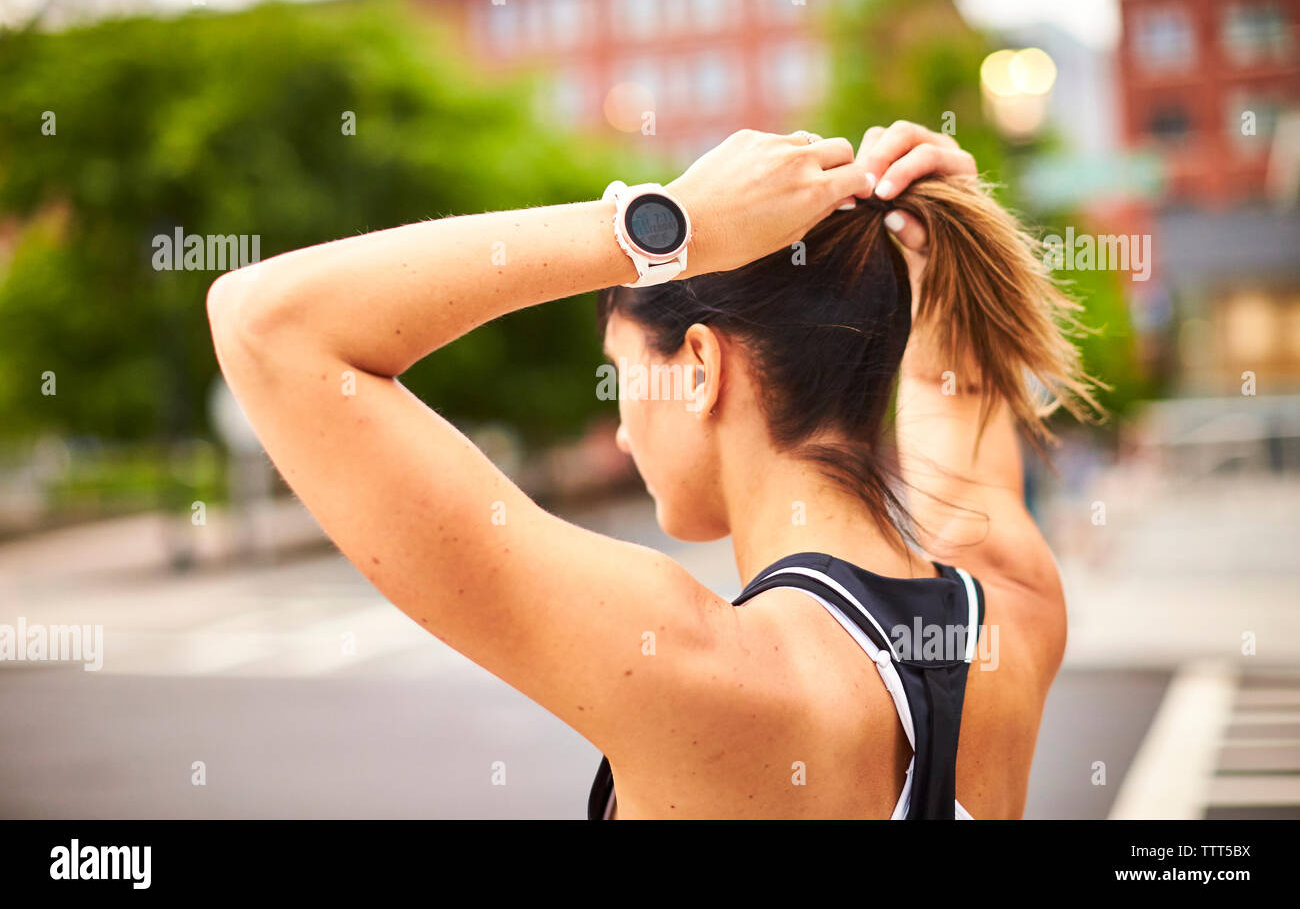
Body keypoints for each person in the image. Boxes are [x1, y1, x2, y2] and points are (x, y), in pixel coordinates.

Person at [207, 121, 1100, 819]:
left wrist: (662, 226)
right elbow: (961, 388)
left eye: (626, 372)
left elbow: (267, 324)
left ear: (701, 367)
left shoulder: (702, 664)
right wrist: (937, 250)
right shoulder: (1010, 607)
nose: (624, 433)